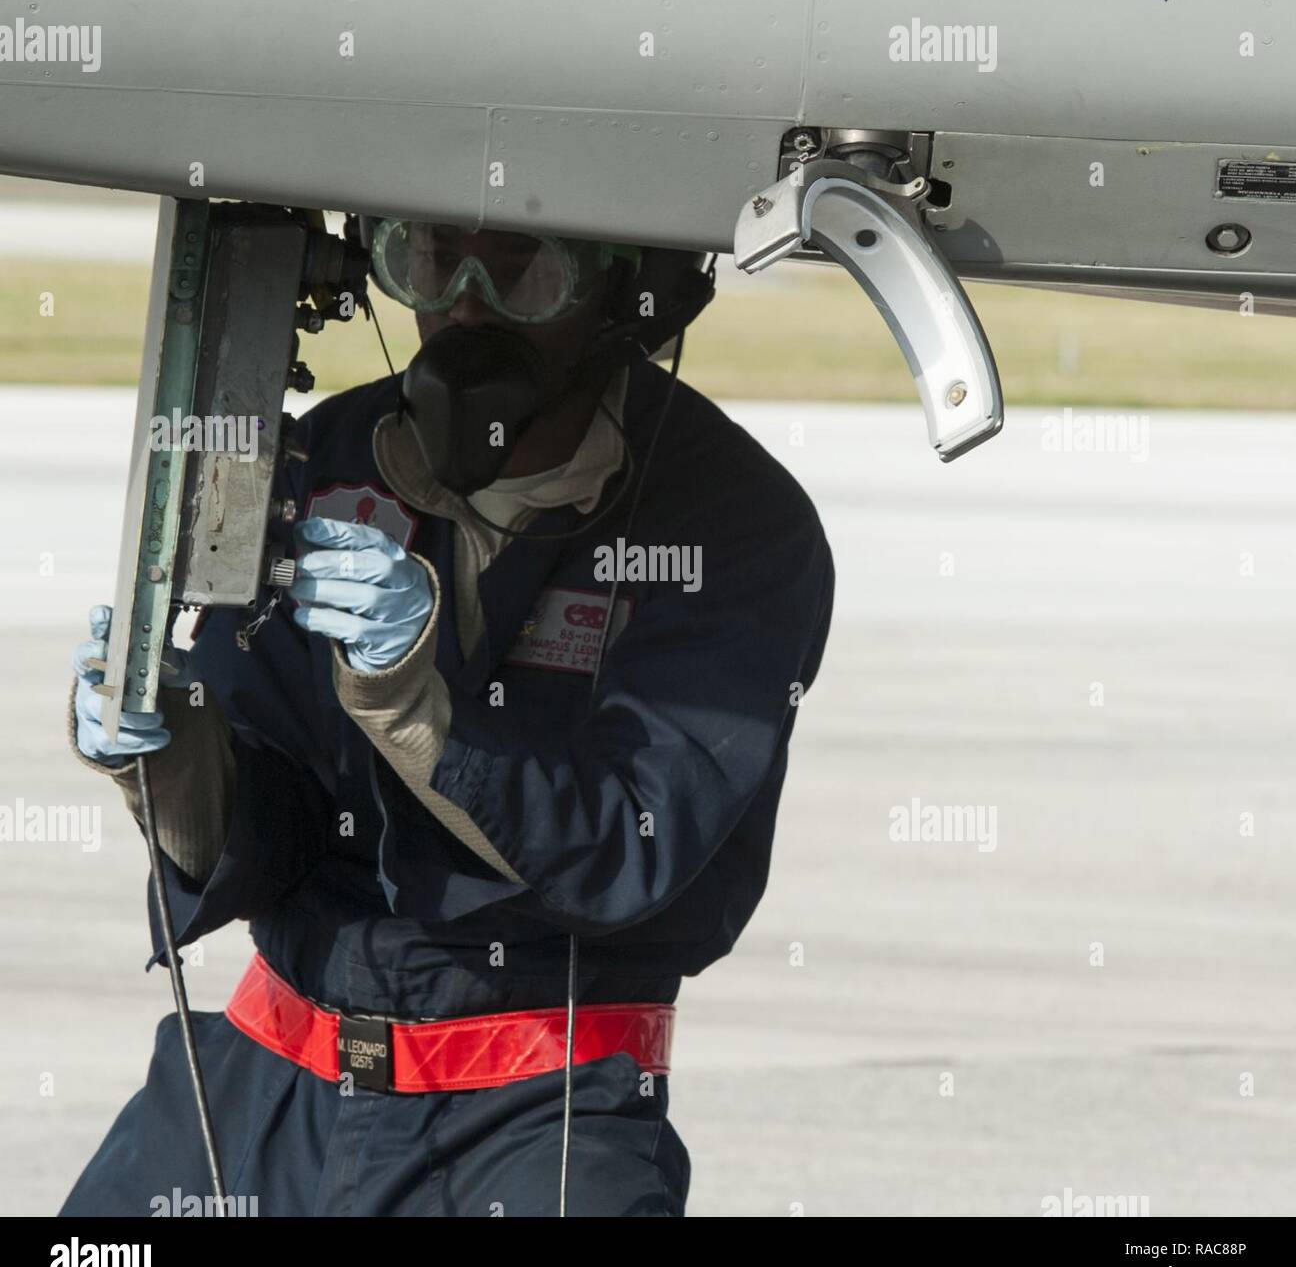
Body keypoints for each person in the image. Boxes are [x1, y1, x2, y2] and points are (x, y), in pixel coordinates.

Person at [62, 222, 834, 1217]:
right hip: (270, 1080)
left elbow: (623, 846)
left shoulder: (728, 521)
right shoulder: (318, 462)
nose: (468, 304)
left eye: (523, 268)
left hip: (535, 1108)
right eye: (431, 261)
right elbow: (270, 833)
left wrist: (414, 710)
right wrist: (166, 757)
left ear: (619, 287)